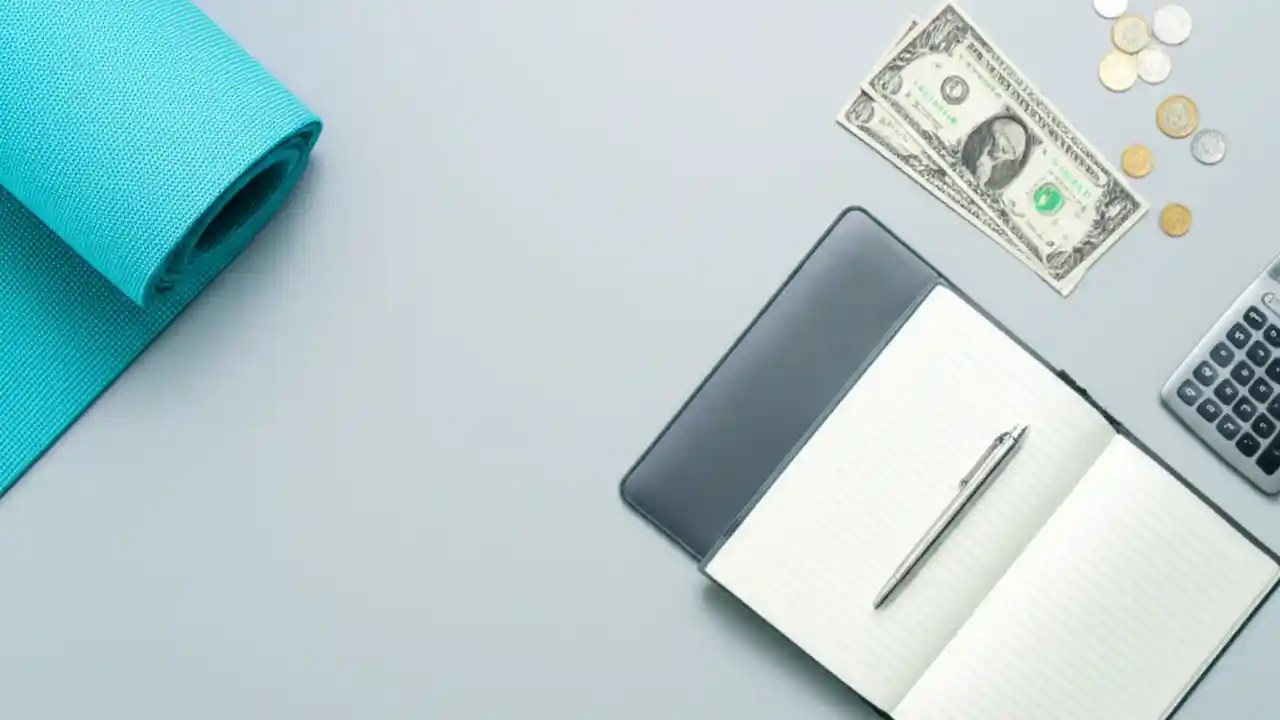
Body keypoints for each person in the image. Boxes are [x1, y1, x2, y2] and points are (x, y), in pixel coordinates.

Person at [960, 116, 1031, 192]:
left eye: (1004, 151)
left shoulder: (994, 181)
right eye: (994, 140)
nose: (997, 152)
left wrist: (980, 179)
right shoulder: (969, 149)